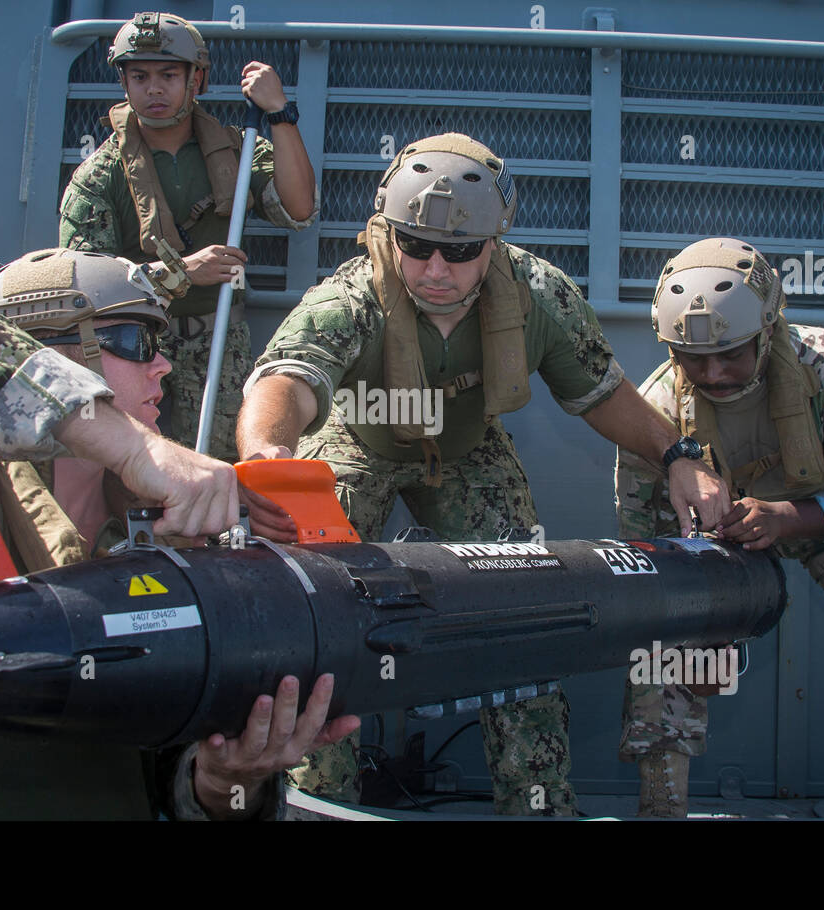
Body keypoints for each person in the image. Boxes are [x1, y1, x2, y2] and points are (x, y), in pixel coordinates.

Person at [234, 133, 729, 815]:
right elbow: (286, 378)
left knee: (526, 608)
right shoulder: (350, 298)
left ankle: (537, 803)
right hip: (359, 441)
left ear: (494, 243)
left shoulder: (537, 296)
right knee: (319, 609)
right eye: (415, 245)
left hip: (466, 452)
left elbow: (602, 392)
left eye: (461, 250)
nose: (436, 267)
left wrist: (677, 457)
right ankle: (324, 802)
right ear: (388, 234)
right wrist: (267, 455)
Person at [0, 248, 356, 820]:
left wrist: (225, 780)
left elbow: (177, 783)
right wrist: (139, 447)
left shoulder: (171, 542)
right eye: (137, 343)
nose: (161, 367)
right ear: (44, 352)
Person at [615, 237, 824, 817]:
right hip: (723, 536)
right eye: (693, 357)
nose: (712, 373)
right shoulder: (659, 405)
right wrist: (699, 623)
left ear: (767, 330)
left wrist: (790, 518)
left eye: (732, 353)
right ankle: (661, 802)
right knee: (659, 626)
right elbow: (643, 535)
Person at [59, 11, 318, 461]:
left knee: (217, 473)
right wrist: (180, 272)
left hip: (218, 343)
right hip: (132, 351)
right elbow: (81, 287)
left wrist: (280, 114)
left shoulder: (236, 150)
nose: (153, 89)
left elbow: (299, 209)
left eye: (168, 75)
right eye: (139, 76)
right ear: (124, 82)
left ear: (195, 80)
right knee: (136, 471)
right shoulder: (99, 176)